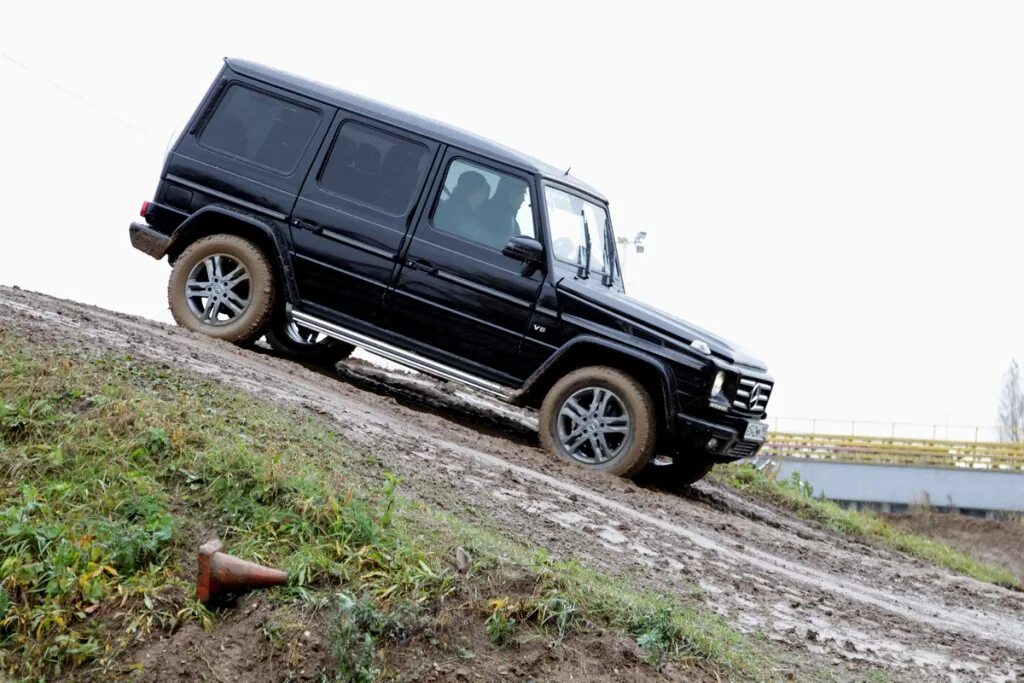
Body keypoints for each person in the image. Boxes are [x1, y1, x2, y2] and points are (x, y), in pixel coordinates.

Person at [434, 170, 490, 239]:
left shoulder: (471, 212)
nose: (485, 196)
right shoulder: (452, 213)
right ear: (476, 191)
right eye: (484, 191)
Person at [479, 177, 528, 250]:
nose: (523, 199)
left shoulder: (510, 218)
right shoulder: (489, 213)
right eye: (521, 193)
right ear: (509, 193)